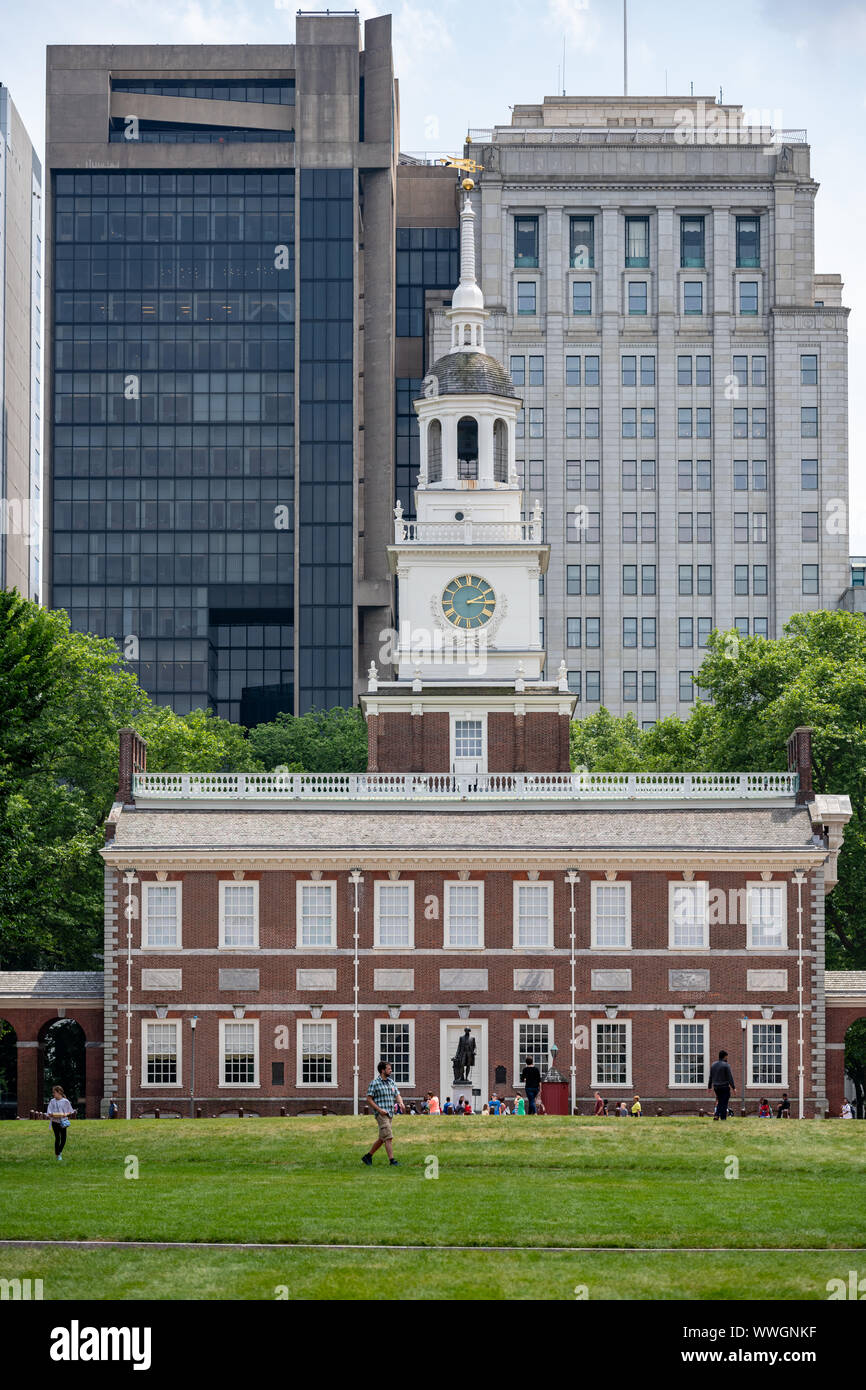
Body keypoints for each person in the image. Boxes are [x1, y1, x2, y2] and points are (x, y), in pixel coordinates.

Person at [361, 1059, 405, 1167]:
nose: (391, 1071)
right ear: (382, 1070)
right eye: (389, 1069)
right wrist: (379, 1110)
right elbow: (369, 1099)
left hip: (390, 1114)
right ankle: (392, 1161)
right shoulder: (375, 1083)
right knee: (389, 1137)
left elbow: (397, 1094)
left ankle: (368, 1156)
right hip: (381, 1115)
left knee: (382, 1138)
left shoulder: (391, 1082)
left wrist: (401, 1103)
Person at [47, 1085, 74, 1161]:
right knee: (57, 1138)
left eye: (54, 1092)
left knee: (64, 1139)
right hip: (55, 1122)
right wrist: (52, 1114)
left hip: (63, 1122)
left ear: (59, 1092)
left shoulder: (65, 1101)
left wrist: (66, 1114)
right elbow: (49, 1112)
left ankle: (59, 1151)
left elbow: (70, 1111)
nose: (53, 1094)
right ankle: (58, 1154)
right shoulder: (52, 1101)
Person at [708, 1049, 736, 1121]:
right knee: (723, 1102)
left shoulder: (713, 1065)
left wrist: (709, 1086)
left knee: (721, 1101)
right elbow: (730, 1077)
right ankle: (718, 1115)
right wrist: (733, 1087)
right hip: (724, 1087)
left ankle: (721, 1117)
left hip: (716, 1087)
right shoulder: (726, 1065)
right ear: (724, 1057)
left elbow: (711, 1076)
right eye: (726, 1057)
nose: (727, 1058)